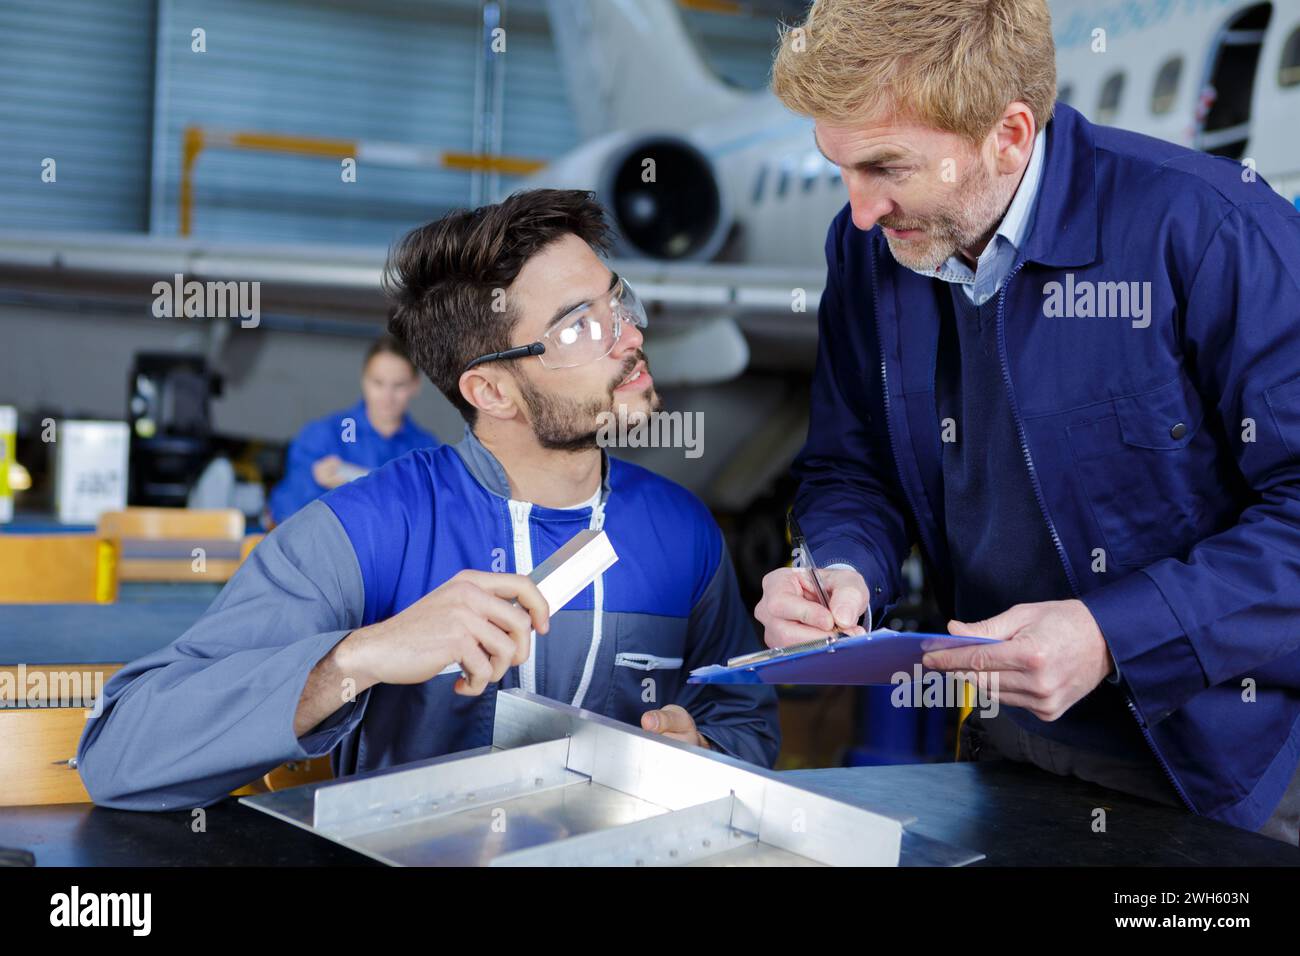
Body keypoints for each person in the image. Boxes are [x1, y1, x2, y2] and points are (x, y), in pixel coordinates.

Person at [755, 0, 1300, 844]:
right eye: (842, 170)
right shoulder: (868, 250)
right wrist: (841, 568)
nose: (859, 211)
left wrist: (1110, 635)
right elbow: (849, 466)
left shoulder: (1213, 232)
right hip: (1008, 745)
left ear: (1008, 135)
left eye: (887, 169)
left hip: (1240, 766)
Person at [77, 189, 779, 810]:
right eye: (578, 326)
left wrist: (707, 751)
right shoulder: (364, 533)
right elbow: (117, 754)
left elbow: (745, 721)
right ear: (491, 391)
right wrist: (357, 657)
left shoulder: (683, 532)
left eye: (617, 302)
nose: (629, 336)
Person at [265, 333, 438, 525]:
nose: (387, 397)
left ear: (416, 385)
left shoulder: (426, 451)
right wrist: (316, 483)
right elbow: (283, 510)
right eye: (378, 383)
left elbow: (432, 518)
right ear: (364, 380)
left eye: (399, 385)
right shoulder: (323, 436)